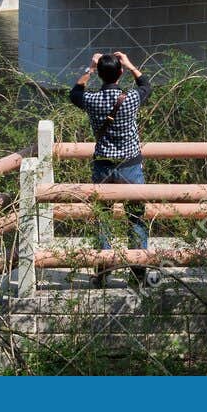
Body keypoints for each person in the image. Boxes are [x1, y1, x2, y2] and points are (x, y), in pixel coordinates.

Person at [69, 51, 154, 286]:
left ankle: (102, 273)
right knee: (136, 217)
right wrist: (130, 64)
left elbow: (74, 93)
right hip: (130, 167)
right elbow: (146, 85)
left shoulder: (93, 101)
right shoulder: (131, 99)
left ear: (100, 76)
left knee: (102, 217)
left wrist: (90, 68)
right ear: (120, 73)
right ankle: (137, 275)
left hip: (103, 168)